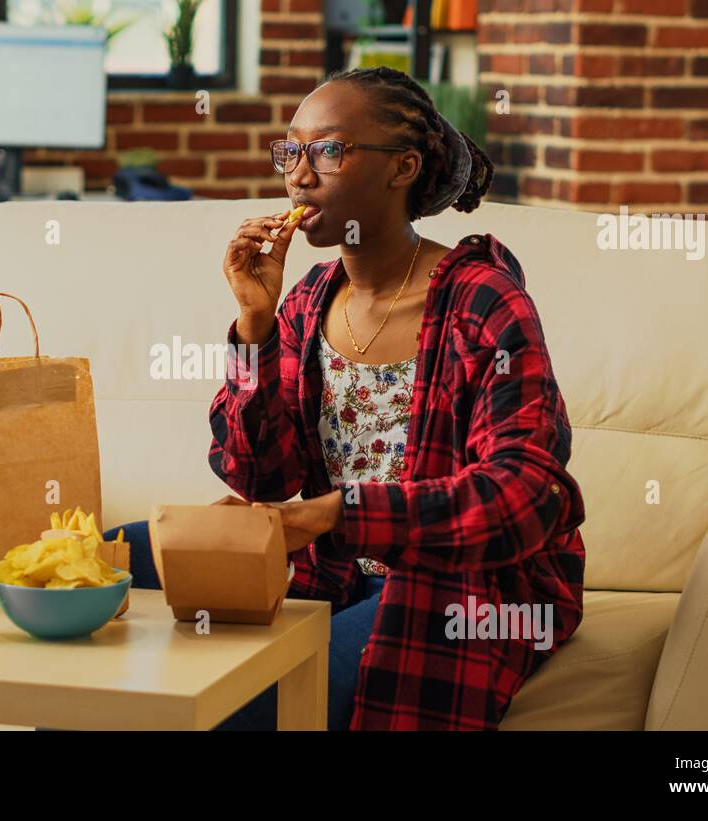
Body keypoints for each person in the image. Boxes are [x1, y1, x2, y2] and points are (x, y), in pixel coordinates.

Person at [106, 65, 587, 731]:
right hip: (328, 568)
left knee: (244, 703)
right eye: (291, 150)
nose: (299, 173)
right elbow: (260, 479)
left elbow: (526, 493)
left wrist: (339, 513)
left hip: (455, 585)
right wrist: (255, 326)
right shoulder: (306, 303)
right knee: (104, 566)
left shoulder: (483, 302)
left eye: (328, 150)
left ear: (402, 167)